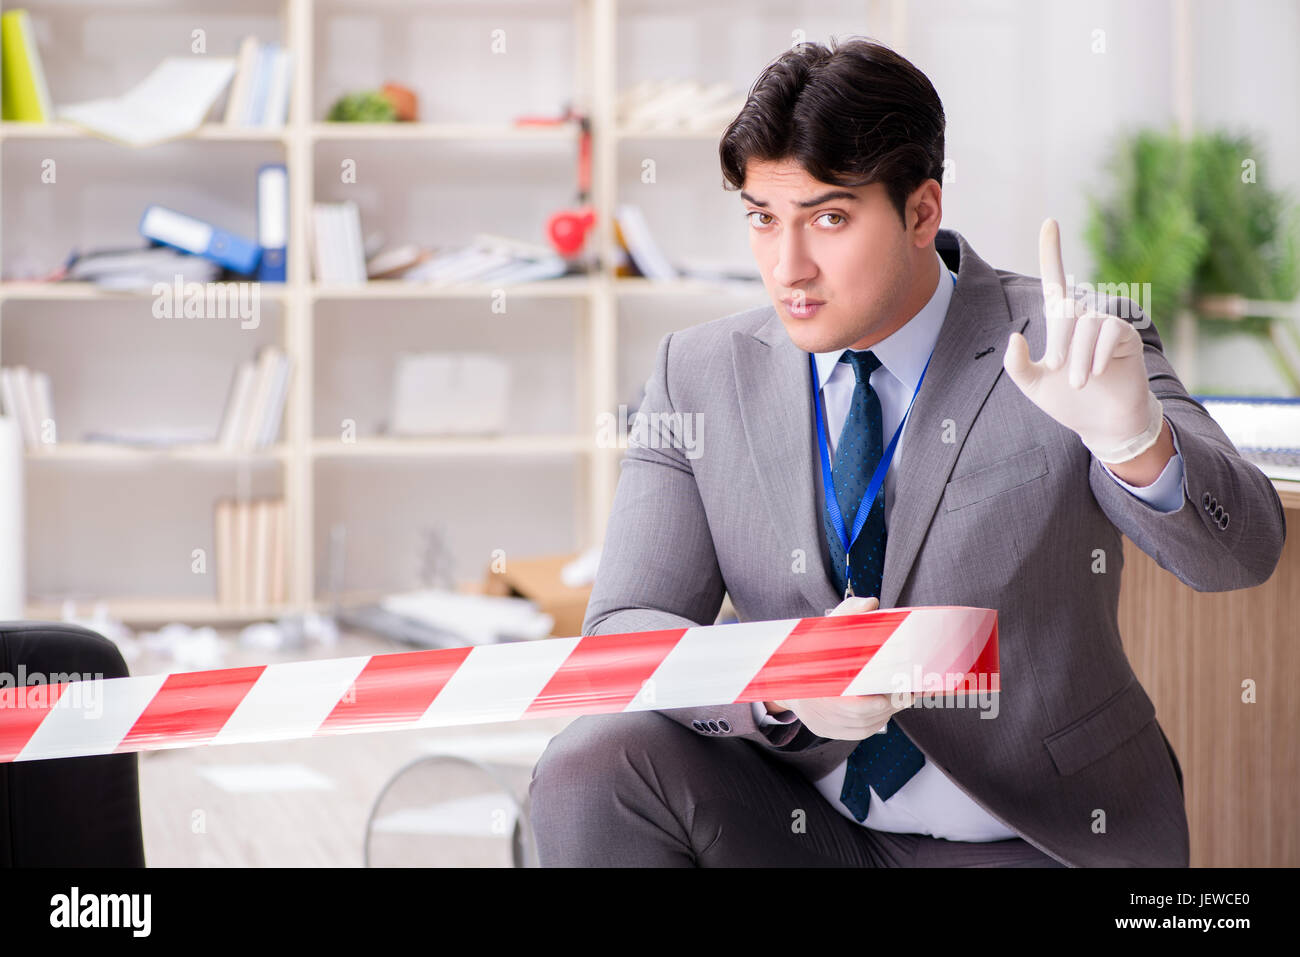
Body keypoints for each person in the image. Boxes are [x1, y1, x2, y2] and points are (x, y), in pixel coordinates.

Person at [528, 37, 1286, 867]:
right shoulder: (698, 373)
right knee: (586, 765)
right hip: (804, 826)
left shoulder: (1070, 339)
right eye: (762, 218)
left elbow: (1240, 553)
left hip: (1036, 834)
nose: (789, 268)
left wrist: (1132, 440)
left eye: (829, 218)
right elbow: (621, 635)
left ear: (922, 211)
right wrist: (782, 682)